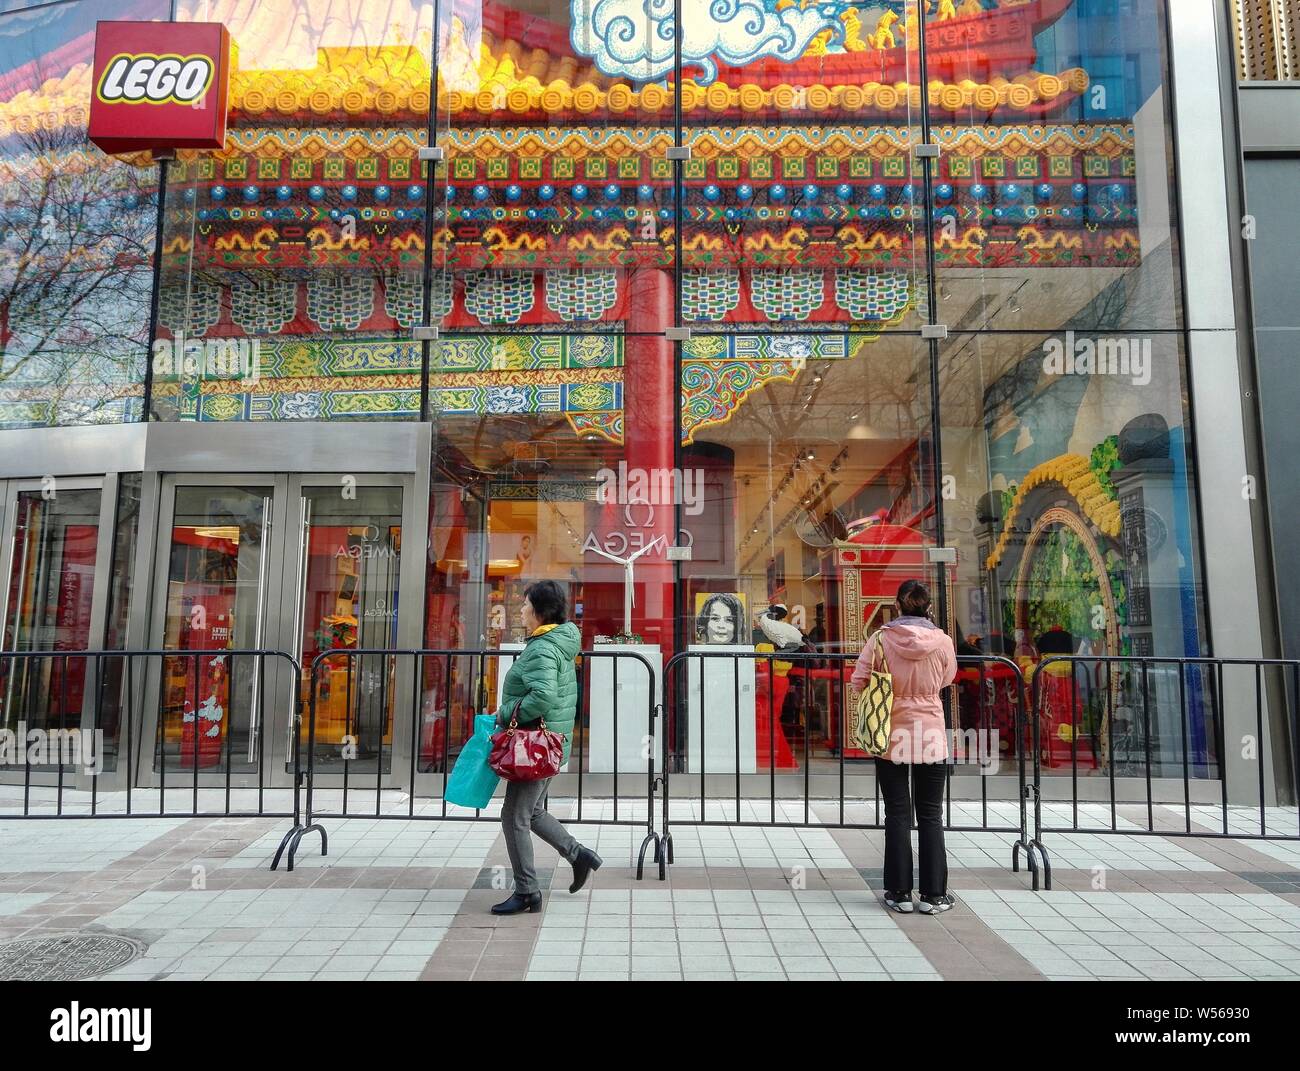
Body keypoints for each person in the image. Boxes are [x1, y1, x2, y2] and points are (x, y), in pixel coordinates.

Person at [491, 579, 602, 915]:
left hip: (534, 746)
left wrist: (505, 713)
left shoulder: (542, 647)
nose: (522, 611)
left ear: (539, 611)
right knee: (532, 812)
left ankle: (527, 891)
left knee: (514, 817)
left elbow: (543, 696)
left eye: (525, 605)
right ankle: (578, 855)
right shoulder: (556, 641)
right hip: (549, 743)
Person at [851, 579, 957, 915]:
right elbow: (948, 677)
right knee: (930, 814)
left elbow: (859, 680)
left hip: (890, 734)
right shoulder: (942, 641)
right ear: (928, 607)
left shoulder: (881, 638)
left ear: (897, 605)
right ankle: (933, 896)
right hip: (930, 735)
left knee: (896, 813)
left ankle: (898, 893)